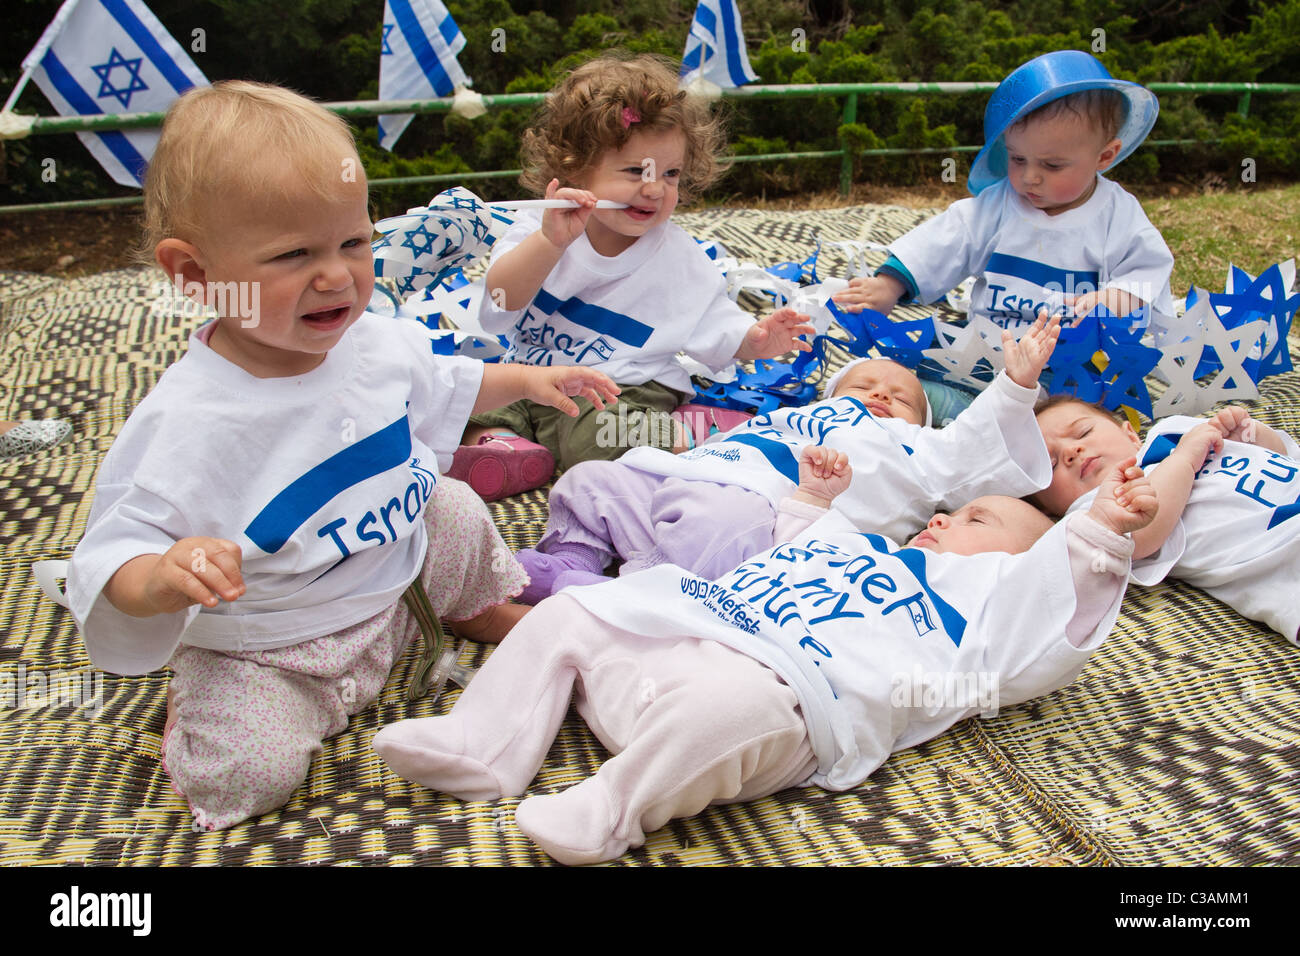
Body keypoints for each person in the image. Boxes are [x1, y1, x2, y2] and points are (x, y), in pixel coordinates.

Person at [63, 81, 619, 832]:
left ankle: (475, 608)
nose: (336, 276)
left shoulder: (374, 343)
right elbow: (111, 557)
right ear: (196, 275)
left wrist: (534, 380)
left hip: (388, 585)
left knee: (448, 504)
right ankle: (202, 716)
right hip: (270, 645)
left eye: (353, 243)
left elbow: (450, 379)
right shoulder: (187, 421)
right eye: (294, 254)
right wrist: (163, 576)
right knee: (247, 777)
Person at [373, 446, 1156, 865]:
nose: (947, 519)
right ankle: (479, 746)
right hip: (681, 637)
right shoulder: (867, 548)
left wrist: (1097, 537)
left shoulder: (984, 613)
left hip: (783, 699)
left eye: (974, 518)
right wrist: (814, 500)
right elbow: (792, 547)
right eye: (951, 509)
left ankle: (611, 809)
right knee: (576, 610)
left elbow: (1052, 621)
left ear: (1013, 565)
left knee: (729, 712)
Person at [449, 53, 815, 500]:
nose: (655, 188)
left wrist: (756, 340)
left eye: (671, 174)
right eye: (634, 172)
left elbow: (714, 324)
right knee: (461, 400)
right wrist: (549, 245)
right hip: (533, 376)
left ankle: (689, 431)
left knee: (590, 439)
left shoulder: (679, 260)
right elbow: (498, 310)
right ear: (574, 168)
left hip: (624, 391)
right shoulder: (538, 229)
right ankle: (501, 447)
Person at [512, 313, 1060, 604]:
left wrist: (1015, 385)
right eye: (863, 384)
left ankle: (627, 598)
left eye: (901, 399)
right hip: (696, 477)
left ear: (923, 422)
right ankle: (572, 562)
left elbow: (974, 442)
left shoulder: (921, 450)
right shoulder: (794, 414)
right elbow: (708, 437)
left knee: (722, 529)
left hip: (767, 512)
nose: (879, 396)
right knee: (593, 480)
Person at [833, 50, 1173, 330]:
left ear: (1105, 155)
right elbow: (947, 240)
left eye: (1052, 166)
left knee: (1078, 410)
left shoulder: (1117, 214)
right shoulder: (997, 206)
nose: (1029, 178)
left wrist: (1116, 298)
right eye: (1017, 158)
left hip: (1074, 362)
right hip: (991, 352)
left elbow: (1148, 270)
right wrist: (890, 285)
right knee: (921, 381)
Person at [1034, 396, 1300, 644]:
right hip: (1281, 558)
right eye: (1052, 463)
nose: (1072, 450)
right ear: (1048, 509)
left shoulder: (1173, 429)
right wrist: (1184, 459)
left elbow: (1282, 455)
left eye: (1083, 432)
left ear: (1130, 434)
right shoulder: (1093, 512)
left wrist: (1249, 435)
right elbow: (1140, 536)